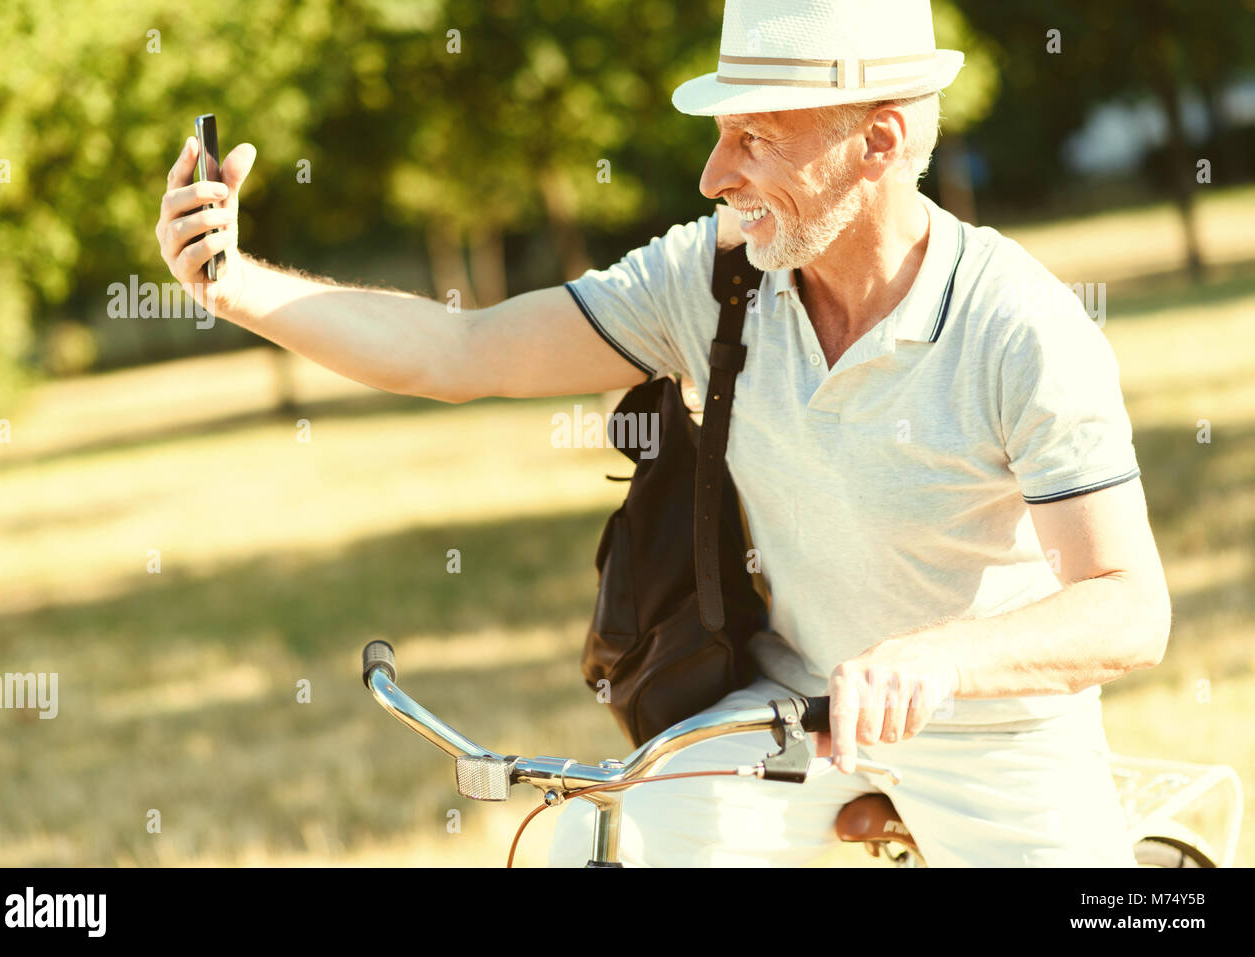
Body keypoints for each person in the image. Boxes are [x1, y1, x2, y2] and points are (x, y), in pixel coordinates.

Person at [155, 0, 1171, 866]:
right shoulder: (716, 279)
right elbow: (457, 352)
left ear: (880, 141)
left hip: (1001, 734)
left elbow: (1127, 610)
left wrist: (936, 662)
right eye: (720, 133)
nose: (710, 175)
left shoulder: (1020, 328)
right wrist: (234, 285)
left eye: (754, 138)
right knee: (592, 847)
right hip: (788, 710)